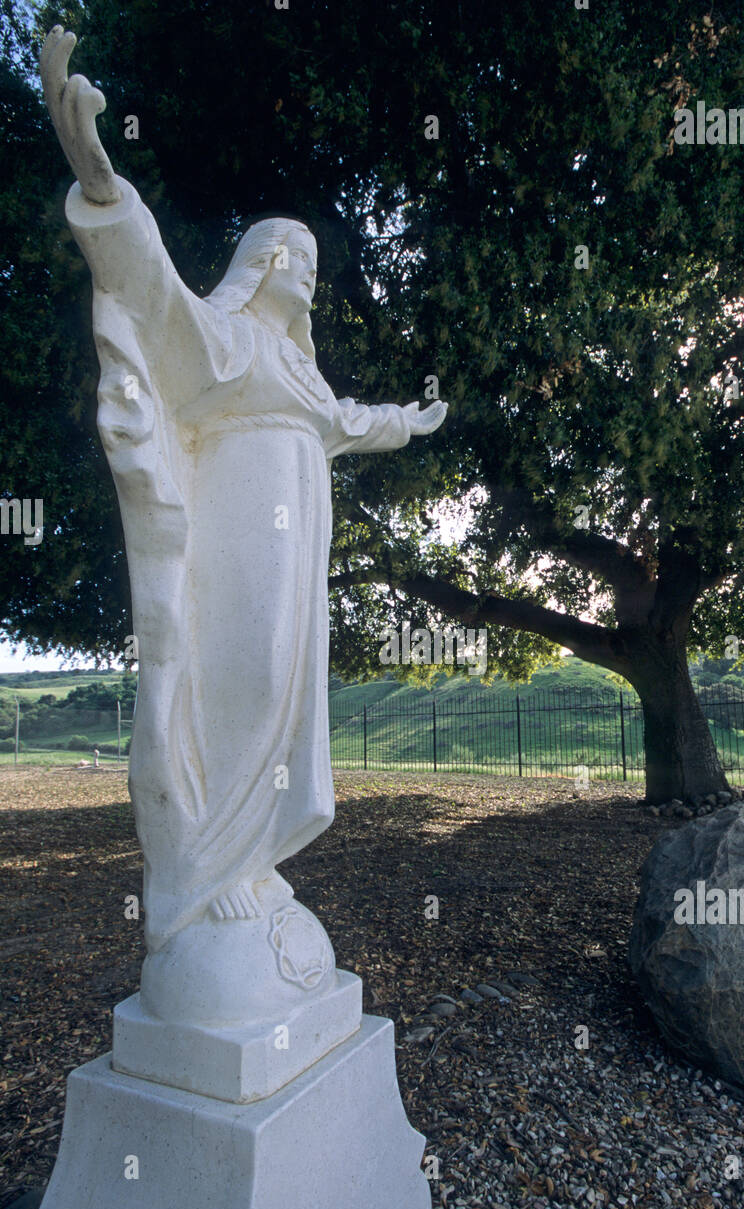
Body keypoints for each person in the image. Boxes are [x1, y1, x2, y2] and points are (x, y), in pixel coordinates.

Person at [40, 28, 447, 990]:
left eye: (313, 259)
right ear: (263, 263)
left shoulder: (301, 372)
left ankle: (250, 855)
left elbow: (350, 418)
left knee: (292, 682)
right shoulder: (223, 340)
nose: (309, 271)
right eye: (294, 256)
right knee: (241, 668)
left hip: (300, 529)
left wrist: (413, 421)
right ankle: (202, 863)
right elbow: (150, 290)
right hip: (238, 513)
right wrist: (95, 169)